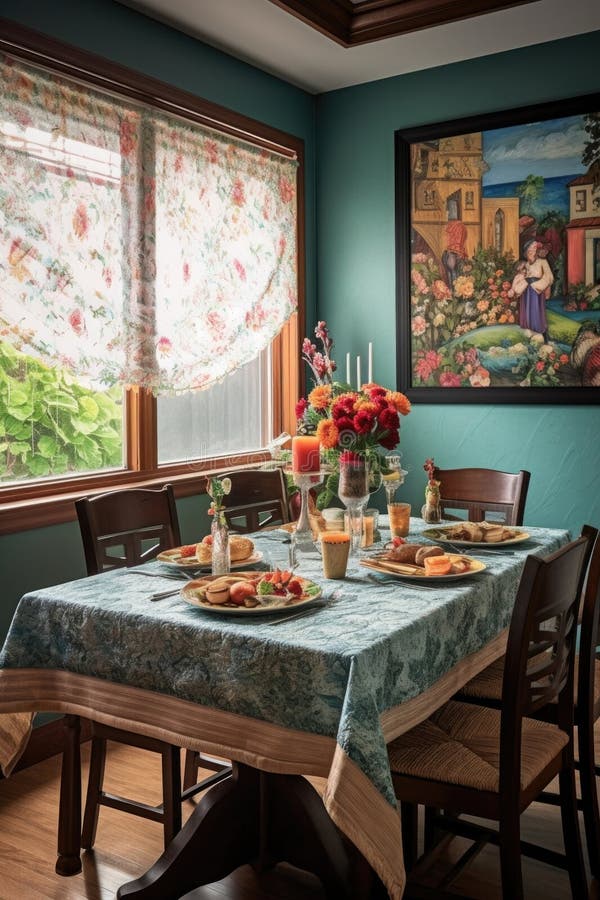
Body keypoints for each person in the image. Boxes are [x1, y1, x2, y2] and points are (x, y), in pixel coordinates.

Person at [510, 239, 554, 336]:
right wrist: (517, 287)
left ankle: (540, 334)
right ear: (527, 250)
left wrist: (538, 286)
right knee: (526, 312)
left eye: (535, 248)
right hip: (525, 291)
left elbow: (549, 277)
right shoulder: (524, 264)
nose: (533, 250)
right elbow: (519, 276)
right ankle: (527, 334)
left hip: (536, 291)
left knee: (536, 313)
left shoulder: (542, 262)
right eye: (531, 247)